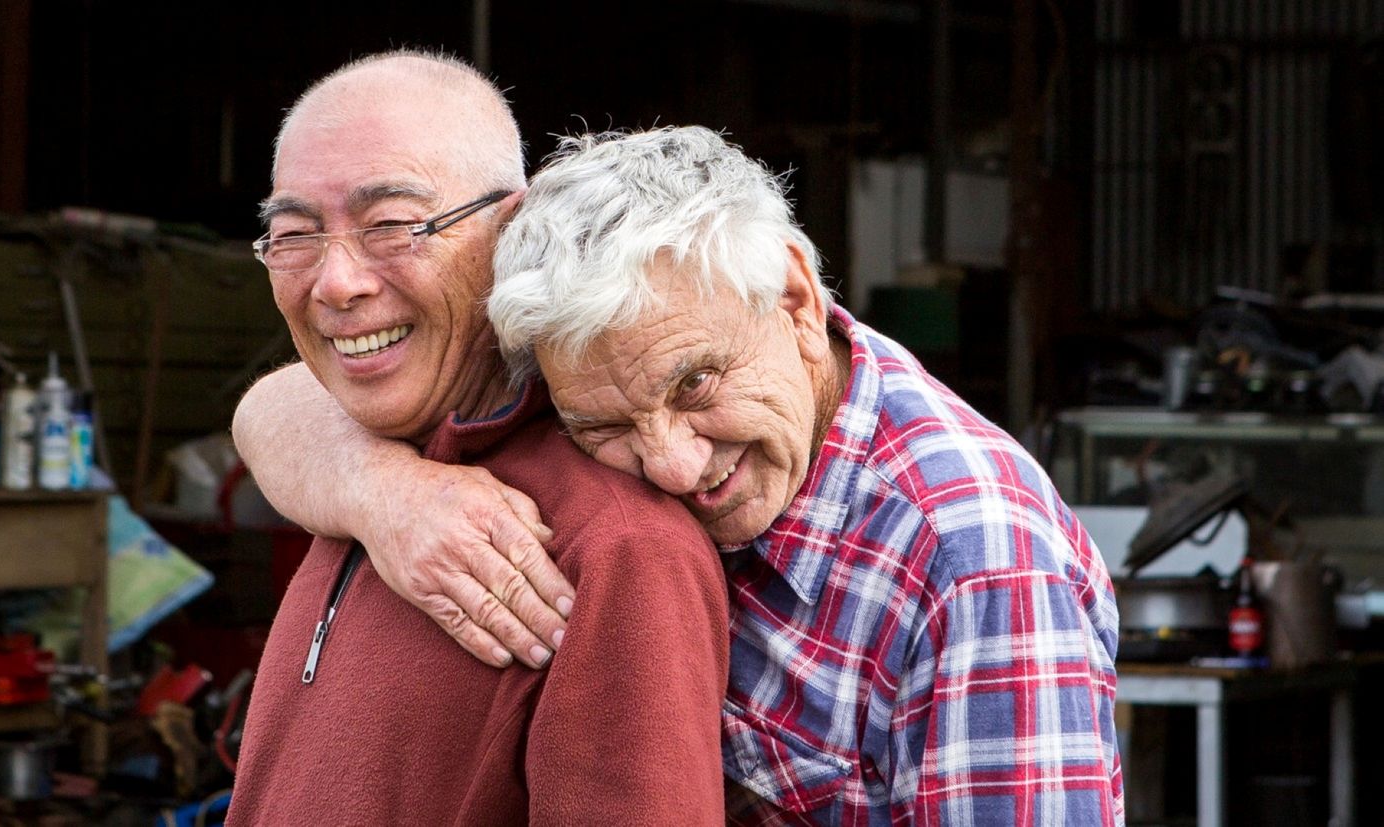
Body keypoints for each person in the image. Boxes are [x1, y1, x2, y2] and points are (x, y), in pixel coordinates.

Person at [235, 124, 1123, 820]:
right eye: (605, 426)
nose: (670, 464)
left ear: (797, 301)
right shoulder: (608, 340)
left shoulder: (977, 563)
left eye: (695, 383)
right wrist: (387, 493)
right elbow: (297, 397)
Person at [226, 53, 728, 825]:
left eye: (393, 225)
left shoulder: (616, 547)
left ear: (511, 230)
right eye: (294, 235)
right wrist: (378, 490)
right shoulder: (364, 460)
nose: (334, 283)